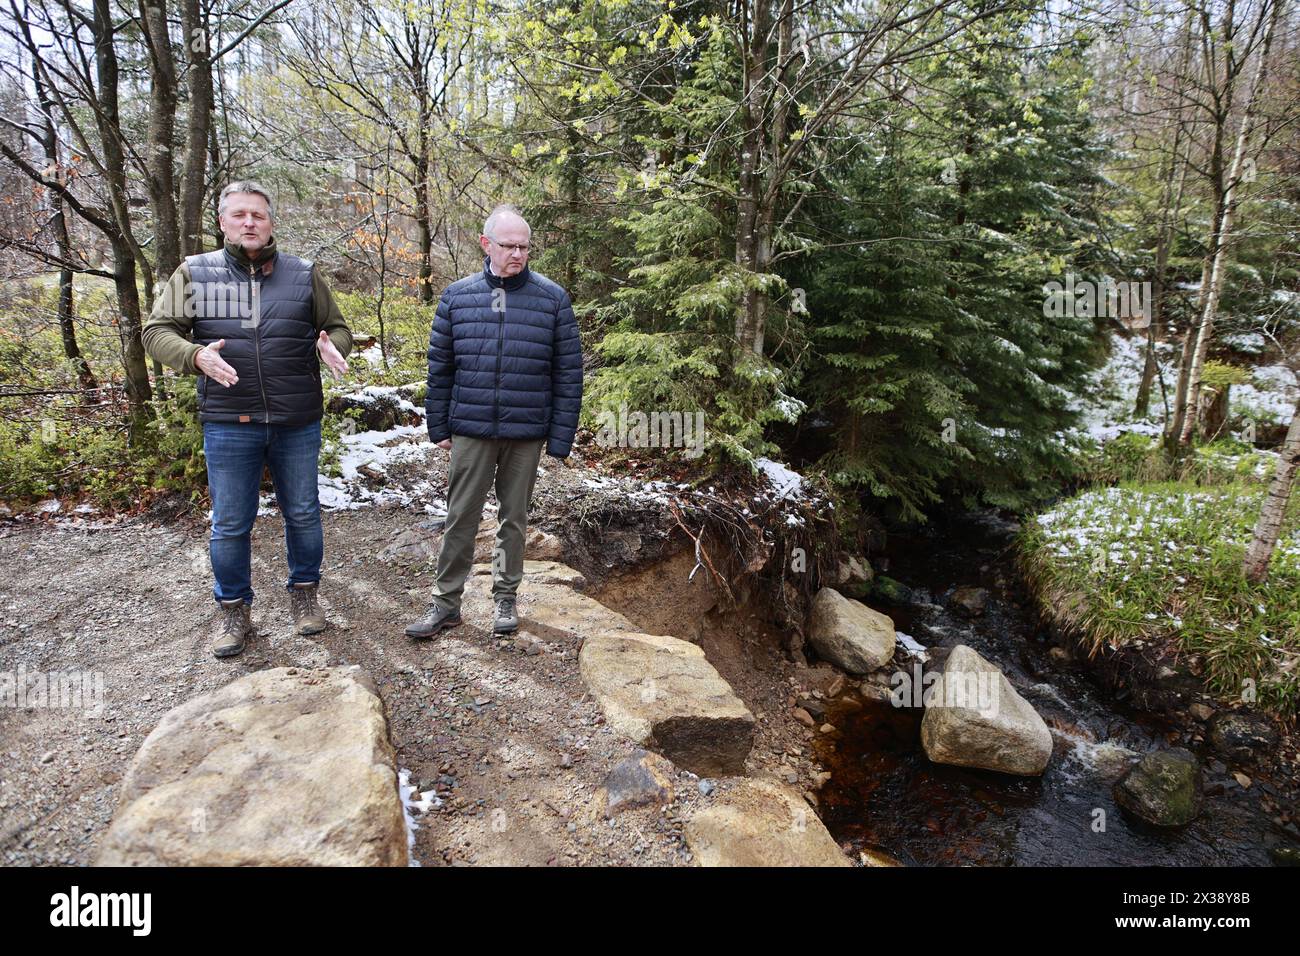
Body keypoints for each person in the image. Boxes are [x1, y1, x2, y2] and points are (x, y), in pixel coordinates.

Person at [142, 180, 353, 658]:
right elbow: (156, 331)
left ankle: (305, 596)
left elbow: (336, 326)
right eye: (239, 215)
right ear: (223, 222)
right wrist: (194, 356)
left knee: (302, 513)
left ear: (271, 221)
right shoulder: (196, 273)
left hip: (295, 417)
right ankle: (233, 609)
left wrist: (330, 346)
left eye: (257, 215)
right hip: (227, 419)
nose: (249, 223)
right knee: (231, 522)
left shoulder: (302, 274)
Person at [405, 204, 582, 639]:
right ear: (487, 245)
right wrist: (438, 426)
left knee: (513, 520)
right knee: (460, 517)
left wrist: (560, 438)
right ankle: (446, 603)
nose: (517, 253)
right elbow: (440, 367)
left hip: (526, 431)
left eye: (524, 246)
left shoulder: (552, 299)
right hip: (471, 427)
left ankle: (505, 596)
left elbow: (568, 374)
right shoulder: (458, 296)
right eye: (508, 245)